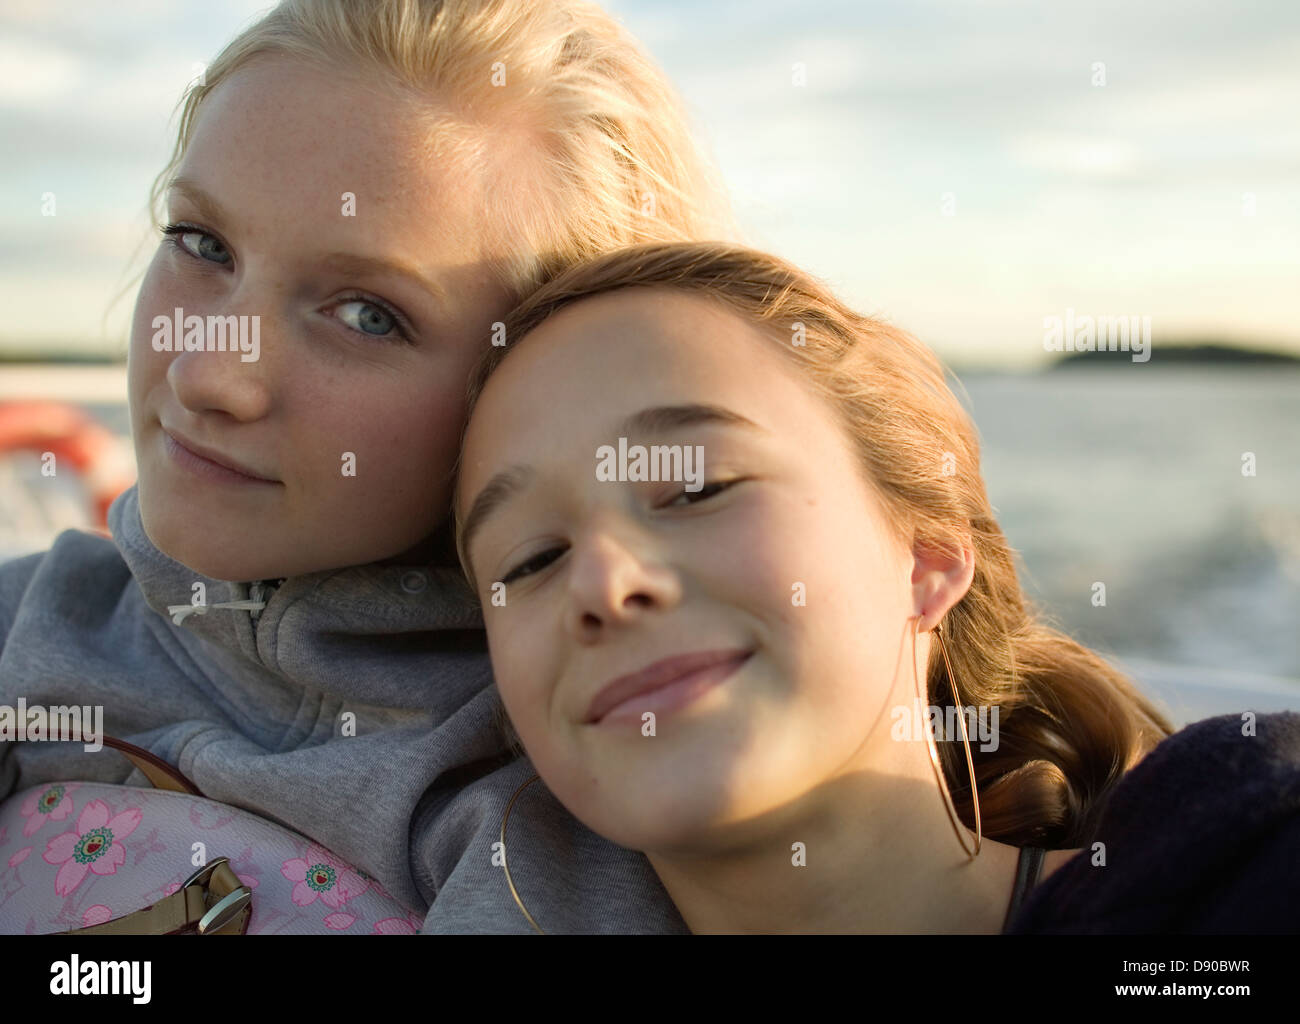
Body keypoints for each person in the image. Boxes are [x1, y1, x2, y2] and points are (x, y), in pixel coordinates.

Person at [0, 0, 734, 934]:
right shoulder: (23, 626)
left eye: (367, 315)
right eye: (200, 243)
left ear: (551, 390)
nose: (209, 373)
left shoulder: (556, 806)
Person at [451, 240, 1300, 933]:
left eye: (697, 487)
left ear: (927, 558)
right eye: (529, 561)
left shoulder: (1239, 876)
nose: (601, 582)